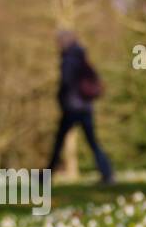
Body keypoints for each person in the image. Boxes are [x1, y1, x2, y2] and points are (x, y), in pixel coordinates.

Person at [46, 30, 114, 183]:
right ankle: (107, 173)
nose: (57, 45)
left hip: (73, 106)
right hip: (86, 107)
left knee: (59, 142)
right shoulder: (82, 56)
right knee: (92, 142)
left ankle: (46, 176)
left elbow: (66, 82)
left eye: (59, 41)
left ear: (65, 41)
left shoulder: (70, 58)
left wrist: (61, 98)